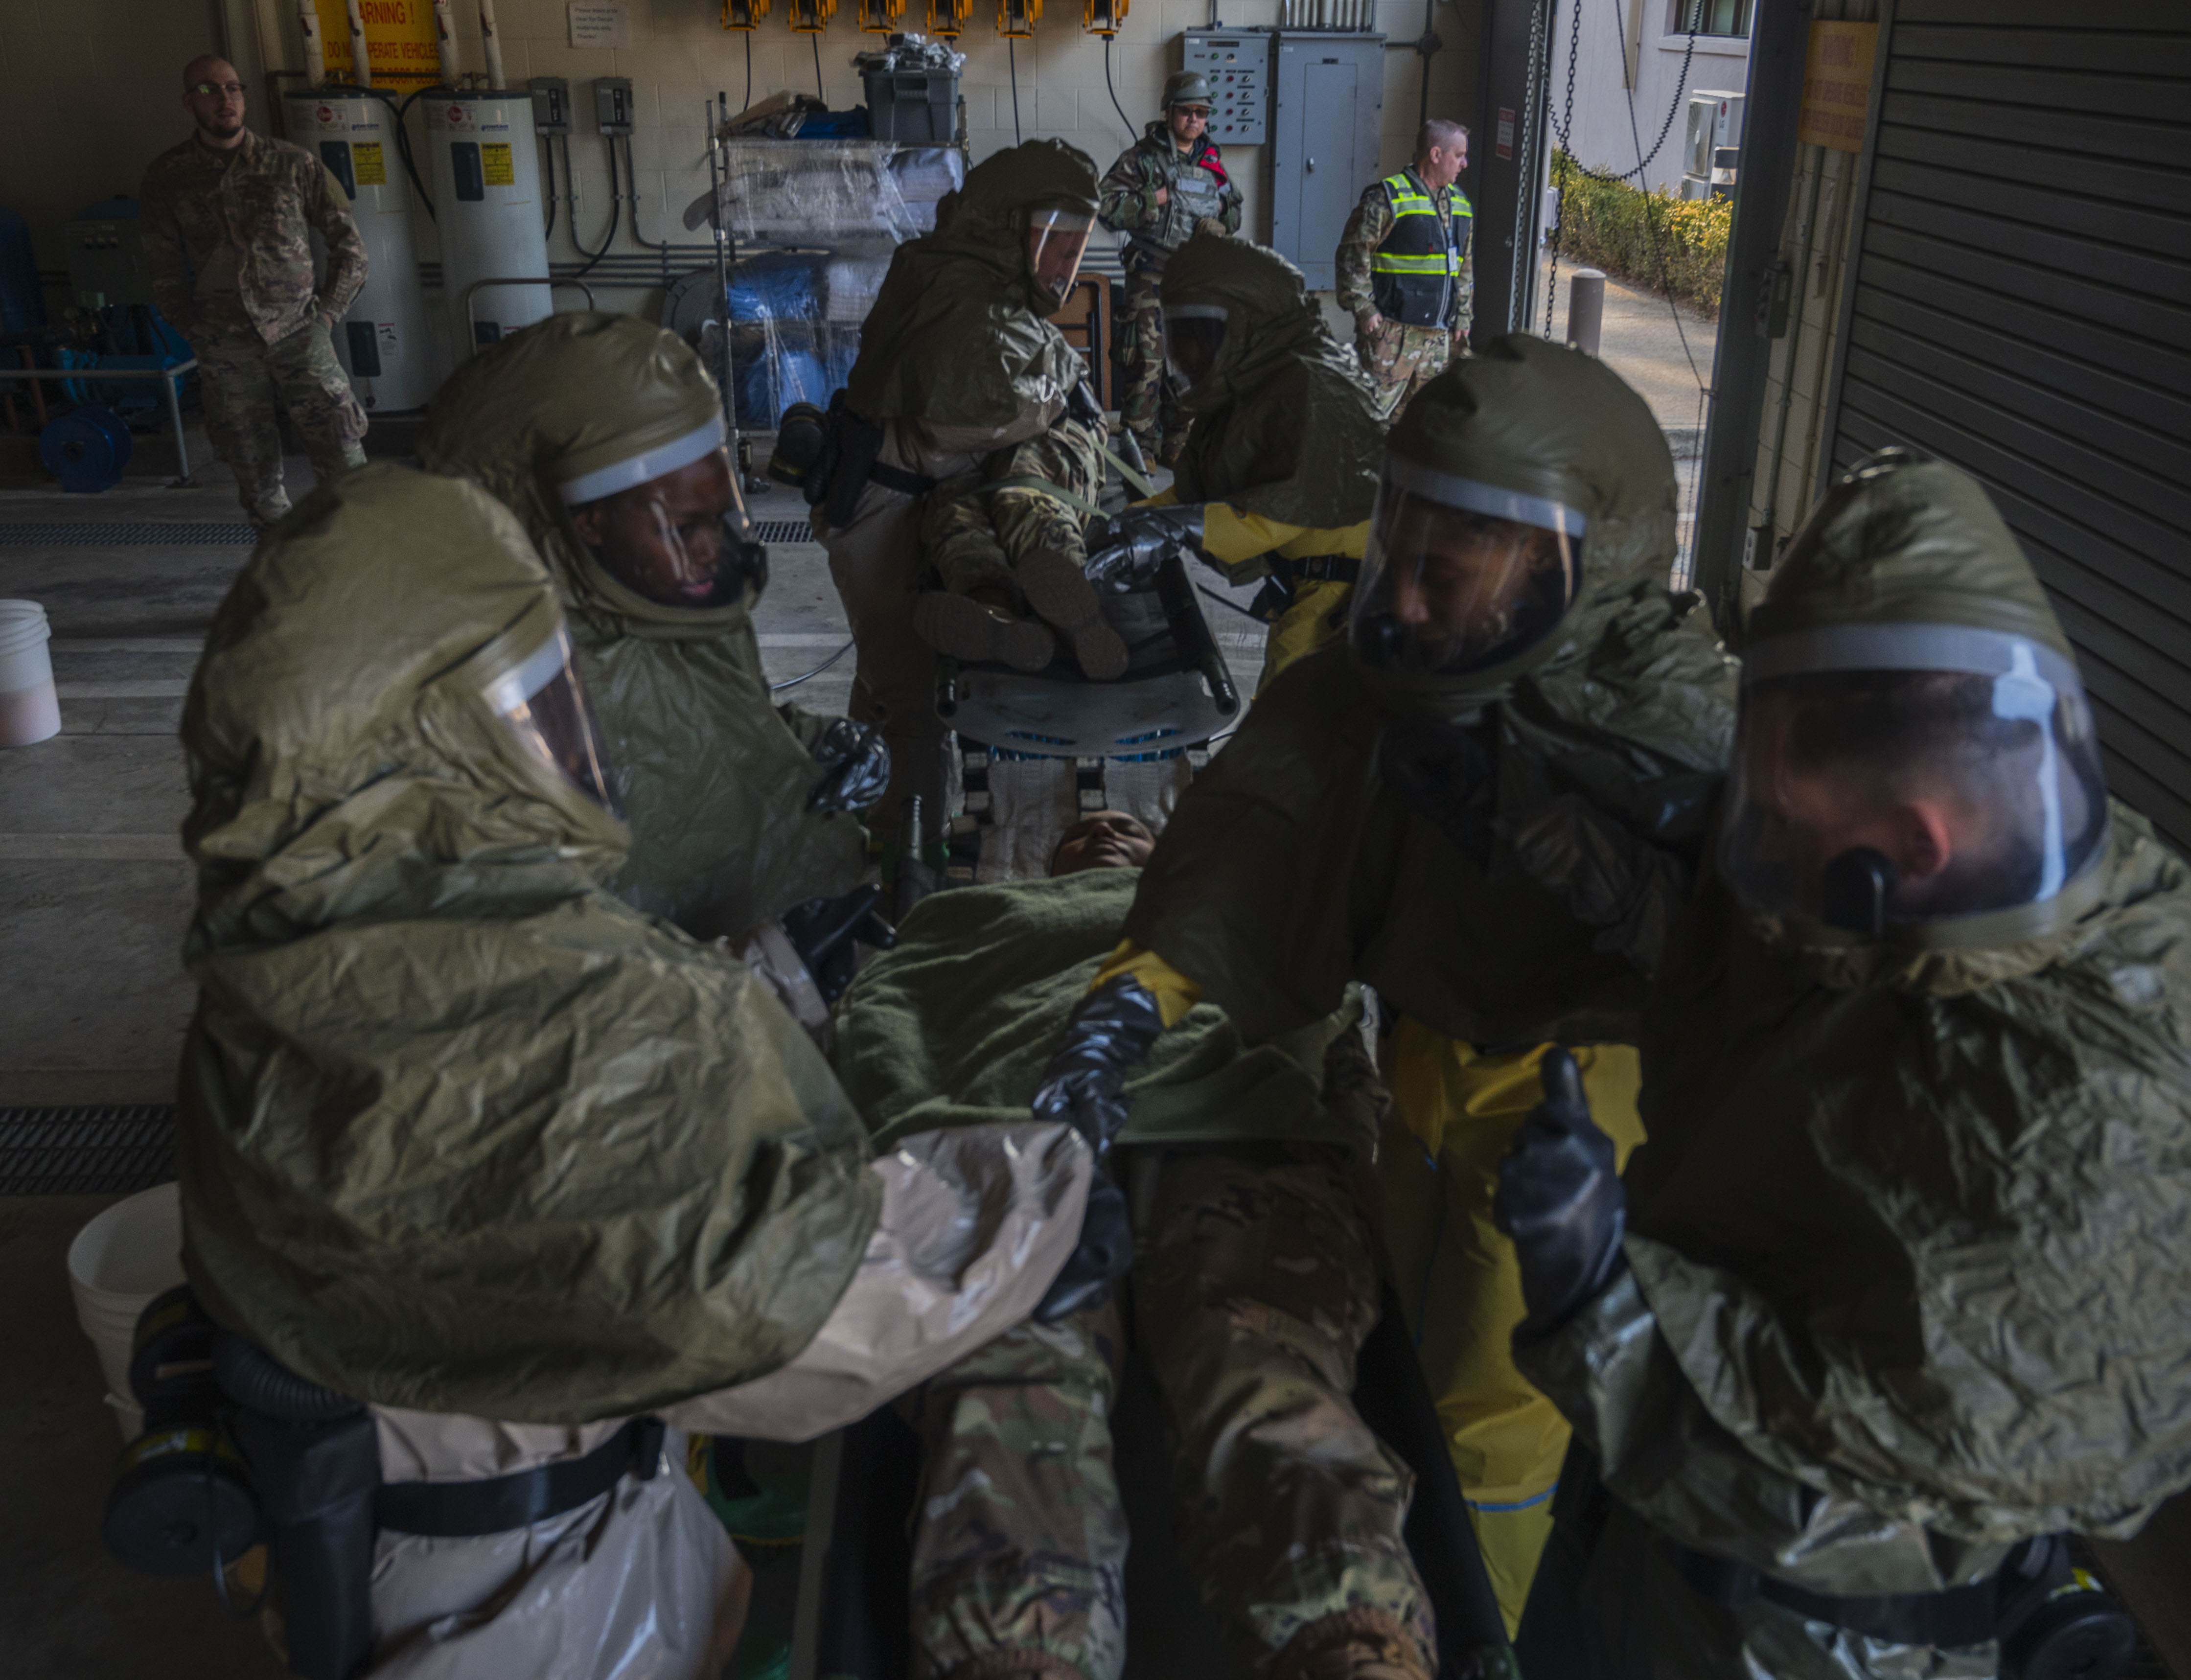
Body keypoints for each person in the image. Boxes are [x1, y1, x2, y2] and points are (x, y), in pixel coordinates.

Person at [175, 461, 1102, 1680]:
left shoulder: (292, 961)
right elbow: (809, 1308)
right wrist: (1046, 1185)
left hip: (400, 1542)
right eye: (523, 706)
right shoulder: (527, 1025)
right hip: (533, 1608)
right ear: (428, 744)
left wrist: (761, 975)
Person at [1493, 450, 2191, 1680]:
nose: (1754, 835)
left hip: (1803, 1640)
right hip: (1638, 1548)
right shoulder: (1896, 897)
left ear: (1915, 841)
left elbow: (1837, 1507)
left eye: (1786, 808)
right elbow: (1747, 980)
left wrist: (1599, 1301)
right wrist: (1559, 829)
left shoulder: (2084, 1126)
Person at [1036, 337, 1742, 1633]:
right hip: (1423, 1072)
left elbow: (1733, 944)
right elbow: (1259, 835)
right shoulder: (1387, 687)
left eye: (1441, 569)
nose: (1402, 601)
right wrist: (1133, 1000)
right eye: (1394, 552)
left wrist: (1543, 820)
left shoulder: (1675, 725)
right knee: (1391, 1367)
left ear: (1566, 565)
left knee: (1491, 1435)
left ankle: (1472, 1638)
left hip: (1572, 1124)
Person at [831, 808, 1433, 1680]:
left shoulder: (1229, 909)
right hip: (1014, 1144)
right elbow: (884, 1020)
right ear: (1050, 869)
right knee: (1006, 1388)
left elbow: (1333, 1032)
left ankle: (1351, 1657)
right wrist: (920, 1147)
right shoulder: (973, 919)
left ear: (1164, 853)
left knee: (1260, 1371)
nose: (1106, 829)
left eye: (1128, 826)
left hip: (1225, 1122)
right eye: (1085, 830)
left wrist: (1339, 1150)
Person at [418, 313, 886, 942]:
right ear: (567, 514)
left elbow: (712, 728)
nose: (704, 541)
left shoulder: (669, 604)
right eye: (666, 509)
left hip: (775, 943)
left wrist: (815, 744)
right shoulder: (479, 680)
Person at [815, 139, 1122, 828]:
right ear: (1005, 222)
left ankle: (862, 828)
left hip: (906, 499)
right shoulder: (956, 291)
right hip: (885, 509)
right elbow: (965, 417)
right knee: (914, 706)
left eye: (1074, 245)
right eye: (1050, 239)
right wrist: (1059, 407)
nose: (1063, 264)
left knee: (885, 690)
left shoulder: (969, 279)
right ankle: (903, 880)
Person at [1097, 233, 1383, 688]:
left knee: (1288, 724)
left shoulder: (1312, 387)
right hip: (1309, 582)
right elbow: (1206, 489)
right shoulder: (1257, 377)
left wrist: (1170, 529)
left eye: (1198, 335)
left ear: (1244, 324)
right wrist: (1131, 522)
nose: (1187, 354)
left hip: (1343, 594)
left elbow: (1273, 514)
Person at [139, 54, 368, 529]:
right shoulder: (168, 177)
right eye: (208, 89)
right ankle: (284, 580)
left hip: (300, 334)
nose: (224, 98)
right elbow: (160, 265)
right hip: (224, 344)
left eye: (232, 87)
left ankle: (361, 579)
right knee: (256, 477)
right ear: (188, 102)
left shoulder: (292, 163)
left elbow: (350, 248)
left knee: (346, 464)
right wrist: (194, 329)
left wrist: (325, 318)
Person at [1098, 71, 1245, 467]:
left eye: (1201, 113)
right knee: (1145, 361)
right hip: (1150, 274)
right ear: (1169, 111)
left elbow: (1235, 211)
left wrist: (1220, 217)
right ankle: (1140, 445)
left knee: (1189, 362)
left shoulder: (1212, 162)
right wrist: (1155, 198)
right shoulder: (1142, 158)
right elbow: (1106, 208)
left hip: (1194, 282)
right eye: (1186, 111)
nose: (1194, 120)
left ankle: (1177, 439)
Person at [1333, 121, 1472, 424]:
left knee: (1422, 423)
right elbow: (1353, 254)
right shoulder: (1387, 198)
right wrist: (1364, 309)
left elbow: (1464, 267)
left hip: (1437, 337)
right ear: (1436, 154)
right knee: (1369, 420)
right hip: (1392, 335)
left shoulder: (1461, 204)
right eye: (1459, 155)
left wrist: (1463, 316)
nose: (1465, 163)